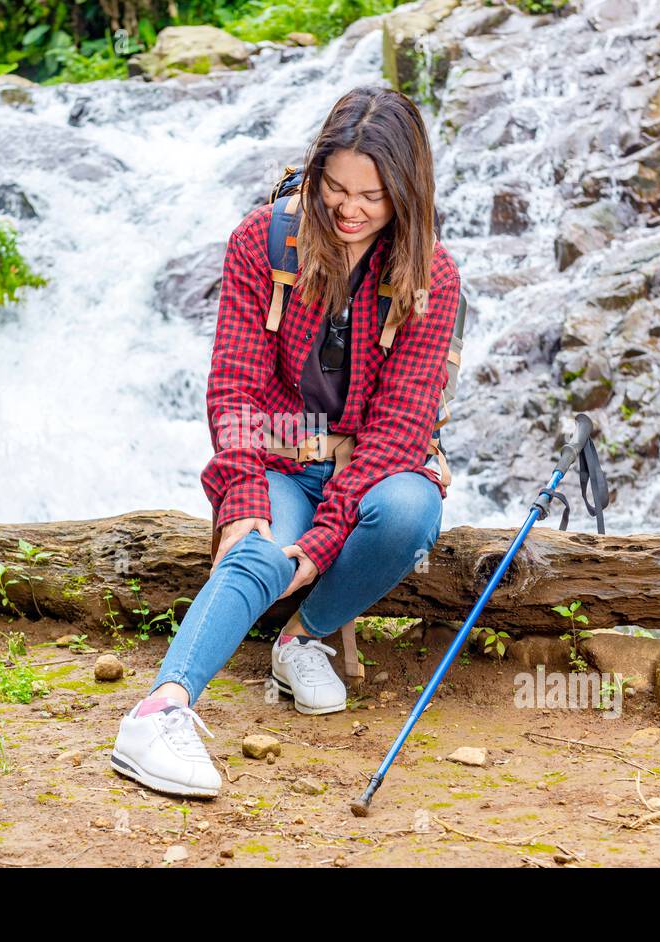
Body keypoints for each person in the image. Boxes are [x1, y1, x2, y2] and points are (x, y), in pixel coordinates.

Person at [111, 85, 463, 798]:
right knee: (258, 550)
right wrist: (241, 496)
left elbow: (398, 430)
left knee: (410, 511)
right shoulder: (261, 242)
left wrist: (325, 540)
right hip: (275, 455)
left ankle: (300, 637)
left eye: (373, 195)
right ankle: (160, 710)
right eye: (334, 187)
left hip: (369, 468)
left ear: (408, 193)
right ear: (316, 170)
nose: (349, 209)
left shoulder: (431, 278)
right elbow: (234, 384)